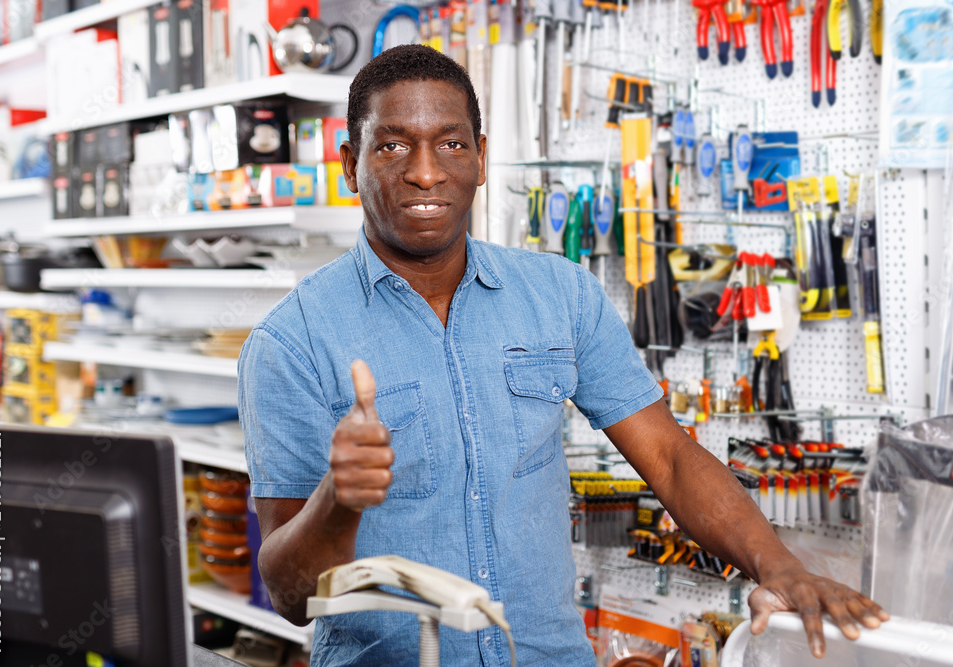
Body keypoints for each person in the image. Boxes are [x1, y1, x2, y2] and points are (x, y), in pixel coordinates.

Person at [237, 44, 887, 666]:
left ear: (482, 157)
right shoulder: (290, 343)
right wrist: (338, 498)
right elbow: (292, 593)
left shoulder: (560, 293)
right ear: (352, 160)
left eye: (451, 144)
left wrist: (775, 563)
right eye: (393, 145)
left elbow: (669, 455)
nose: (426, 170)